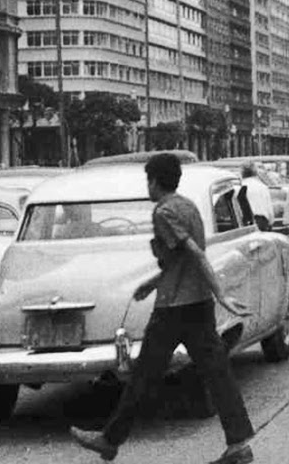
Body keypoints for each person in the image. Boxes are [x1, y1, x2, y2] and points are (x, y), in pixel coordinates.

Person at [70, 153, 255, 464]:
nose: (148, 186)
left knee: (143, 375)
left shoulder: (164, 211)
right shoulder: (189, 206)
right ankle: (239, 444)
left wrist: (221, 292)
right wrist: (154, 282)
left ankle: (109, 440)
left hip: (174, 308)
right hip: (197, 304)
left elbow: (194, 253)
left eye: (148, 180)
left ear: (155, 181)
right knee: (218, 374)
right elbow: (180, 259)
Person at [239, 164, 273, 231]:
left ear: (242, 174)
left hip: (245, 222)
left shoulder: (239, 187)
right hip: (262, 221)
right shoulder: (262, 187)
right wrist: (270, 223)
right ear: (255, 173)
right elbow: (269, 210)